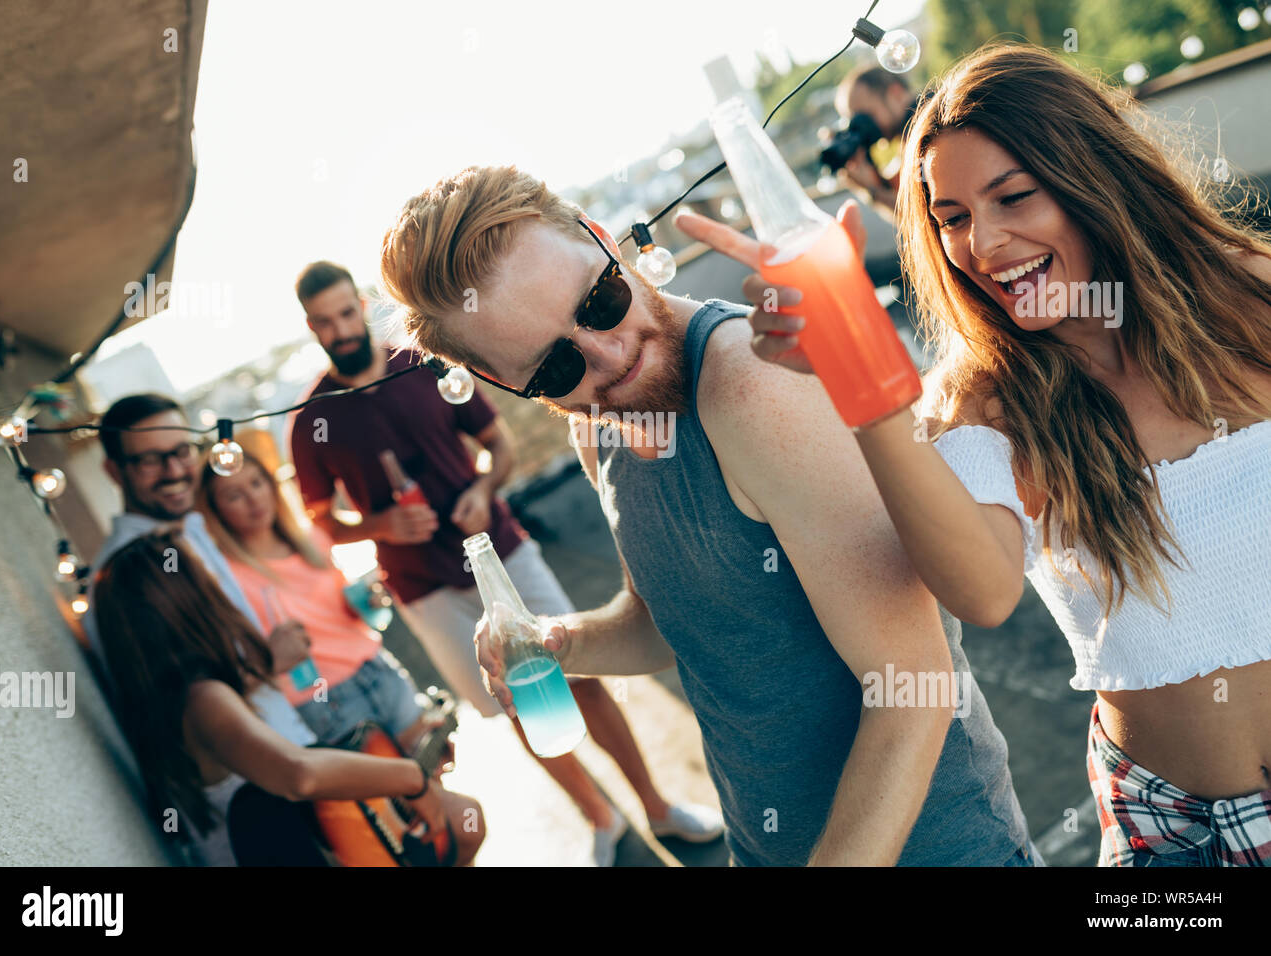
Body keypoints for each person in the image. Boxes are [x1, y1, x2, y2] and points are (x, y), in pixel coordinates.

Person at [679, 44, 1271, 867]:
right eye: (952, 218)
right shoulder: (985, 396)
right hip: (1166, 835)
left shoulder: (1251, 298)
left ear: (1092, 176)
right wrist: (862, 388)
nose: (983, 245)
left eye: (1013, 197)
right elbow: (983, 591)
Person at [378, 164, 1038, 866]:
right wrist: (559, 644)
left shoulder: (751, 388)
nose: (610, 353)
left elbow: (915, 690)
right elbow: (668, 626)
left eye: (600, 300)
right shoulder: (601, 424)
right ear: (502, 383)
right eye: (555, 369)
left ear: (605, 240)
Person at [287, 261, 723, 865]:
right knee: (513, 700)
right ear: (311, 328)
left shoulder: (420, 364)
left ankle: (656, 806)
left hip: (499, 548)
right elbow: (322, 521)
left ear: (360, 306)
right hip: (423, 589)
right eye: (324, 322)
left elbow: (500, 447)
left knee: (582, 668)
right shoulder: (313, 419)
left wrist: (482, 490)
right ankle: (599, 819)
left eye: (345, 312)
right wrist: (380, 526)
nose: (340, 328)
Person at [94, 529, 484, 866]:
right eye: (204, 577)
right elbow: (300, 775)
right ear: (187, 603)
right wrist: (410, 778)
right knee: (464, 823)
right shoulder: (203, 699)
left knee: (460, 821)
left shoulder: (180, 702)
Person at [199, 429, 454, 769]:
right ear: (215, 510)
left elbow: (346, 610)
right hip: (324, 700)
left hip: (377, 669)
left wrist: (367, 601)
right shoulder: (224, 578)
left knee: (434, 770)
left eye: (257, 483)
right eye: (233, 495)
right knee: (389, 805)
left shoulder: (314, 539)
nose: (253, 499)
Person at [86, 393, 315, 749]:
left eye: (182, 451)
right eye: (150, 460)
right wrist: (269, 661)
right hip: (246, 783)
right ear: (115, 470)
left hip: (286, 741)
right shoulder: (127, 573)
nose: (175, 471)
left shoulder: (190, 526)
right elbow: (169, 704)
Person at [831, 63, 918, 222]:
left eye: (864, 117)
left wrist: (874, 191)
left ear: (895, 93)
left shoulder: (927, 133)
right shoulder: (909, 139)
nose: (863, 129)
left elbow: (925, 217)